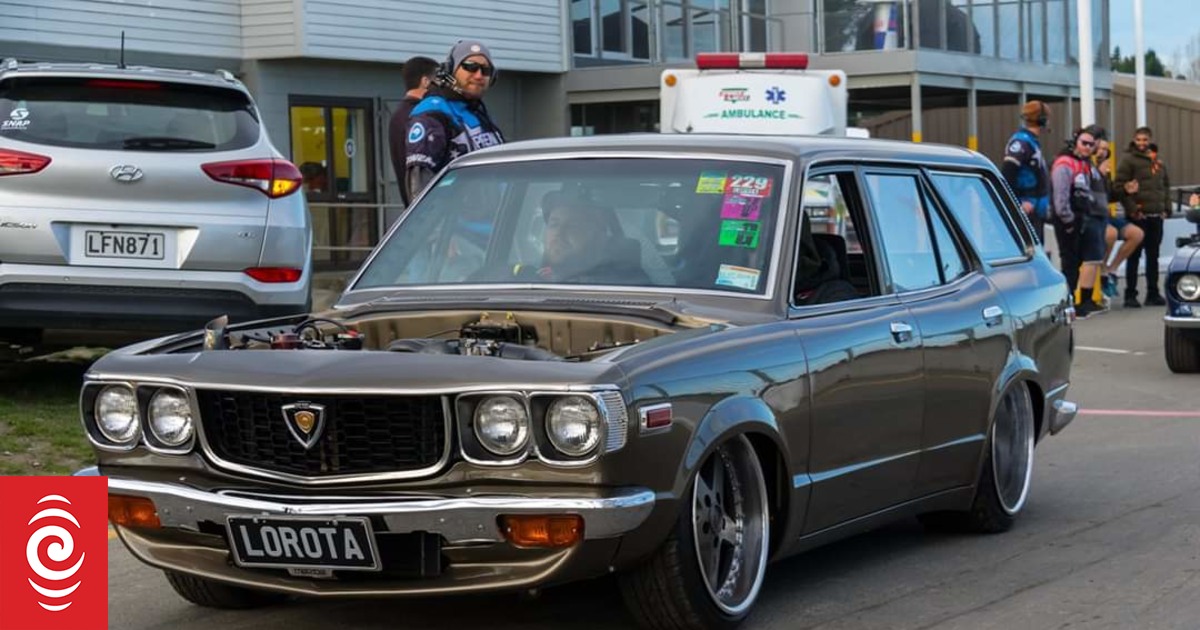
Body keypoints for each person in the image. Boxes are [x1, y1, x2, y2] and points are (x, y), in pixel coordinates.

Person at [405, 40, 505, 202]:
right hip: (455, 225)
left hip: (495, 223)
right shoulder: (433, 112)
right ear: (451, 70)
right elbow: (419, 186)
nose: (479, 75)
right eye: (470, 67)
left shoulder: (479, 113)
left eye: (485, 70)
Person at [1051, 127, 1114, 318]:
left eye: (1091, 144)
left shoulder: (1083, 164)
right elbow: (1060, 197)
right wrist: (1068, 220)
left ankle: (1075, 303)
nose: (1088, 147)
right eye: (1084, 143)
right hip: (1068, 221)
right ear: (1076, 142)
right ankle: (1068, 304)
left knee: (1077, 263)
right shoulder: (1065, 164)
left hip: (1081, 218)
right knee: (1070, 264)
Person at [1086, 126, 1144, 302]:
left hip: (1104, 212)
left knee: (1137, 233)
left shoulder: (1105, 169)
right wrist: (1097, 174)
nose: (1103, 152)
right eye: (1100, 148)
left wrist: (1126, 190)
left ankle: (1112, 268)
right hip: (1090, 213)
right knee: (1110, 234)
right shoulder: (1087, 166)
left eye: (1105, 149)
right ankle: (1102, 270)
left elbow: (1109, 196)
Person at [1115, 126, 1170, 307]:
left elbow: (1165, 187)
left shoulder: (1158, 162)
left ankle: (1153, 293)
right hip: (1138, 215)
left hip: (1155, 215)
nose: (1141, 143)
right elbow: (1120, 187)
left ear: (1150, 140)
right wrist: (1132, 209)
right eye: (1138, 139)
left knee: (1153, 256)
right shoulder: (1128, 160)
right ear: (1134, 140)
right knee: (1134, 256)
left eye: (1145, 140)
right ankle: (1131, 294)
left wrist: (1166, 209)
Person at [388, 56, 439, 207]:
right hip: (425, 208)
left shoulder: (399, 115)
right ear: (425, 81)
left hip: (413, 208)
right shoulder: (420, 116)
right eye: (439, 81)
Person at [1001, 101, 1052, 247]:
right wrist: (1018, 203)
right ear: (1042, 119)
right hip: (1028, 209)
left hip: (1036, 209)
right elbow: (1008, 173)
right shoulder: (1021, 142)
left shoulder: (1031, 142)